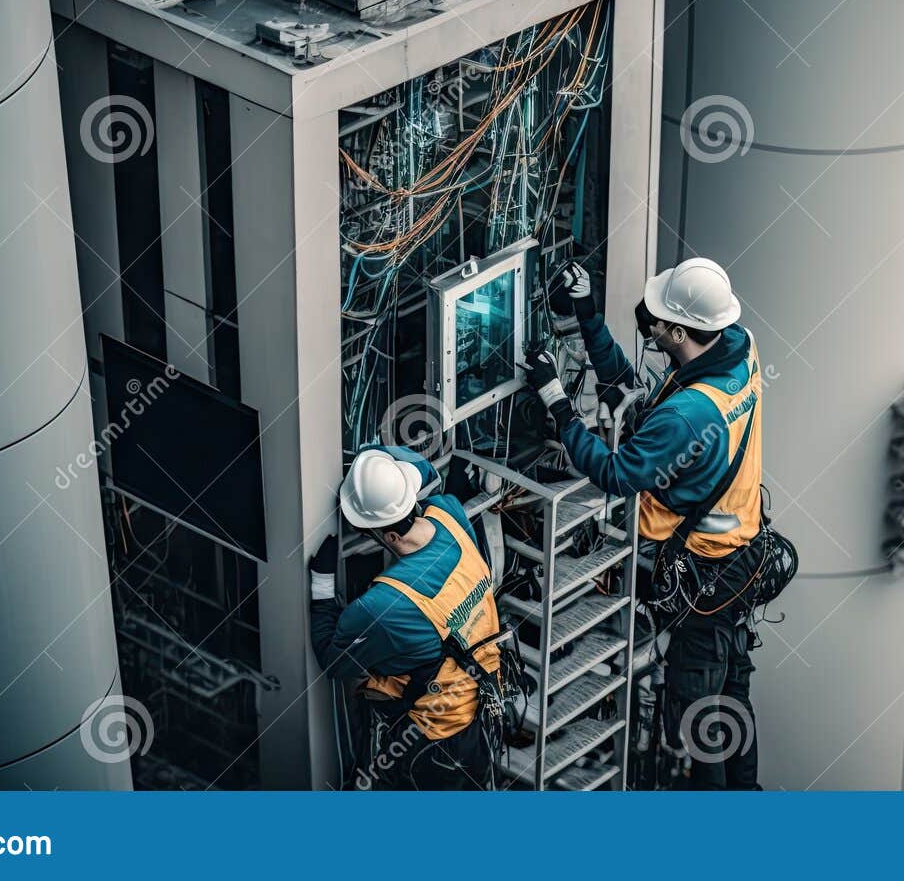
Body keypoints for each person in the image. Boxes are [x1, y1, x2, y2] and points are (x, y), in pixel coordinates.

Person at [524, 257, 764, 790]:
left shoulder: (689, 416)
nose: (647, 324)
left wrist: (555, 403)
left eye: (656, 320)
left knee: (700, 720)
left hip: (703, 575)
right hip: (741, 555)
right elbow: (637, 400)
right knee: (731, 702)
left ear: (679, 331)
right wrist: (587, 313)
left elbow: (615, 472)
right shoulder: (738, 350)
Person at [309, 444, 504, 790]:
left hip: (432, 741)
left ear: (390, 537)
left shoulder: (385, 605)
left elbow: (332, 658)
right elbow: (425, 470)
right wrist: (384, 475)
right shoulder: (448, 512)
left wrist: (322, 583)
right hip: (482, 709)